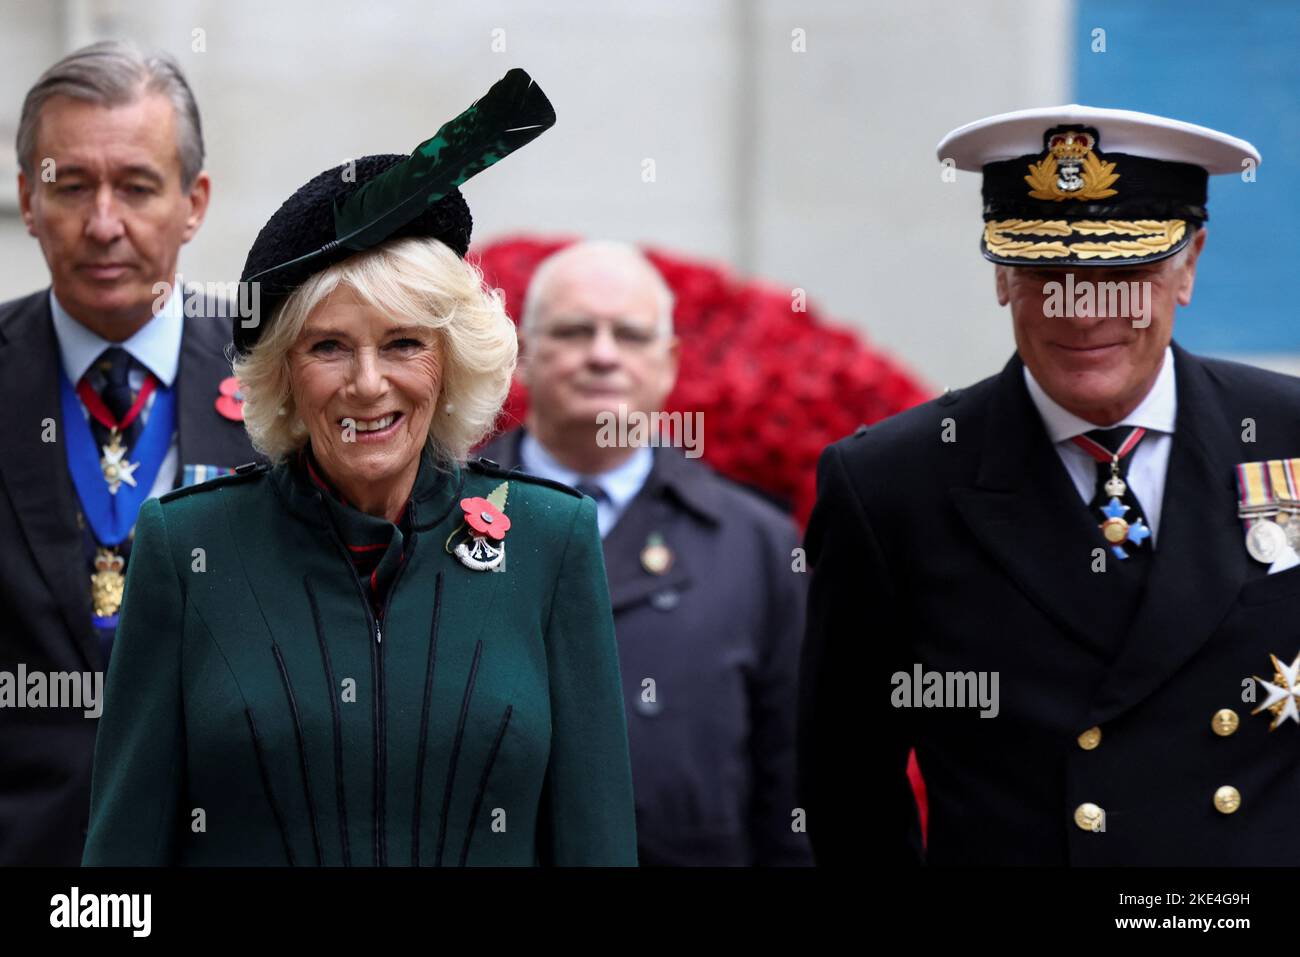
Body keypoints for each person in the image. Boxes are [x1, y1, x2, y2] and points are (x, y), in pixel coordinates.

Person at [82, 69, 638, 866]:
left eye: (405, 343)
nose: (368, 383)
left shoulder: (551, 541)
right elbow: (117, 872)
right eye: (329, 346)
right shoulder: (187, 548)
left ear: (449, 363)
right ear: (283, 372)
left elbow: (598, 848)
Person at [799, 105, 1300, 866]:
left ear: (1188, 265)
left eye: (1121, 272)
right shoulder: (891, 485)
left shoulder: (1288, 435)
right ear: (1003, 275)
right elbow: (849, 787)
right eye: (1048, 273)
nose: (1085, 308)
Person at [0, 40, 255, 866]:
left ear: (193, 201)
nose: (103, 223)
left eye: (138, 187)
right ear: (27, 201)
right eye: (69, 186)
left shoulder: (284, 383)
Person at [482, 240, 812, 865]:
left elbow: (791, 774)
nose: (602, 355)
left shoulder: (758, 543)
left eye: (630, 335)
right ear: (523, 353)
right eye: (575, 331)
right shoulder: (444, 516)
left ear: (669, 362)